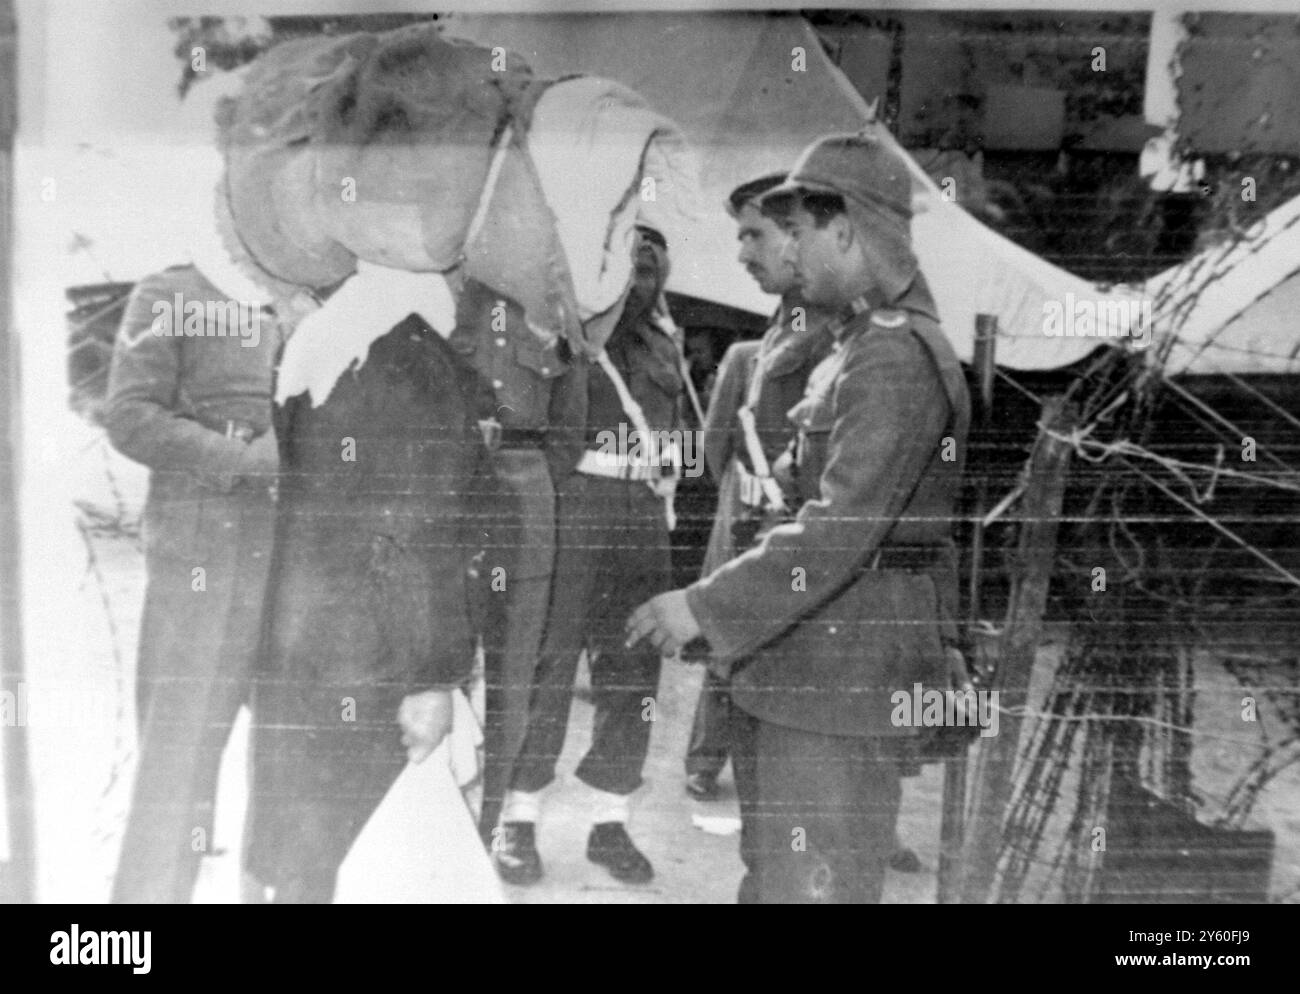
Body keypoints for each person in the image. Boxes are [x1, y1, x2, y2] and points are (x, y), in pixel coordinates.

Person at [628, 132, 971, 904]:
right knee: (779, 879)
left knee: (812, 887)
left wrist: (702, 606)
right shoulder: (851, 348)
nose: (788, 253)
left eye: (799, 233)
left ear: (844, 230)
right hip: (807, 672)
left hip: (839, 685)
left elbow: (836, 529)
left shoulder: (891, 355)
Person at [492, 226, 684, 885]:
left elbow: (680, 434)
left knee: (634, 670)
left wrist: (669, 474)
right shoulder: (564, 332)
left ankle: (610, 823)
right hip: (576, 504)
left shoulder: (668, 340)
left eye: (655, 268)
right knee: (551, 660)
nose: (644, 278)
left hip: (642, 517)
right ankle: (517, 819)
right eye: (634, 265)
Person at [105, 263, 281, 903]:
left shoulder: (319, 293)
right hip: (205, 554)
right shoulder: (175, 290)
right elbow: (128, 415)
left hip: (298, 559)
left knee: (293, 767)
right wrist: (237, 460)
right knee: (176, 766)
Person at [683, 173, 835, 807]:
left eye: (755, 233)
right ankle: (711, 762)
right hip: (753, 512)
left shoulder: (840, 323)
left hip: (804, 528)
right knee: (733, 641)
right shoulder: (777, 324)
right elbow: (719, 450)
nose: (742, 252)